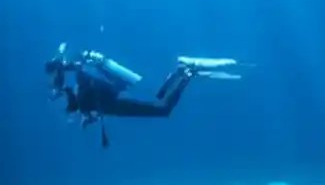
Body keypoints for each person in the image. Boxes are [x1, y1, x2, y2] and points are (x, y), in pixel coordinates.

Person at [44, 43, 243, 148]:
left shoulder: (77, 89)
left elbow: (85, 103)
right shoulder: (77, 85)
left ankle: (186, 73)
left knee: (163, 109)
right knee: (157, 99)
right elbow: (85, 103)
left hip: (116, 103)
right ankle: (180, 72)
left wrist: (87, 117)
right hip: (115, 99)